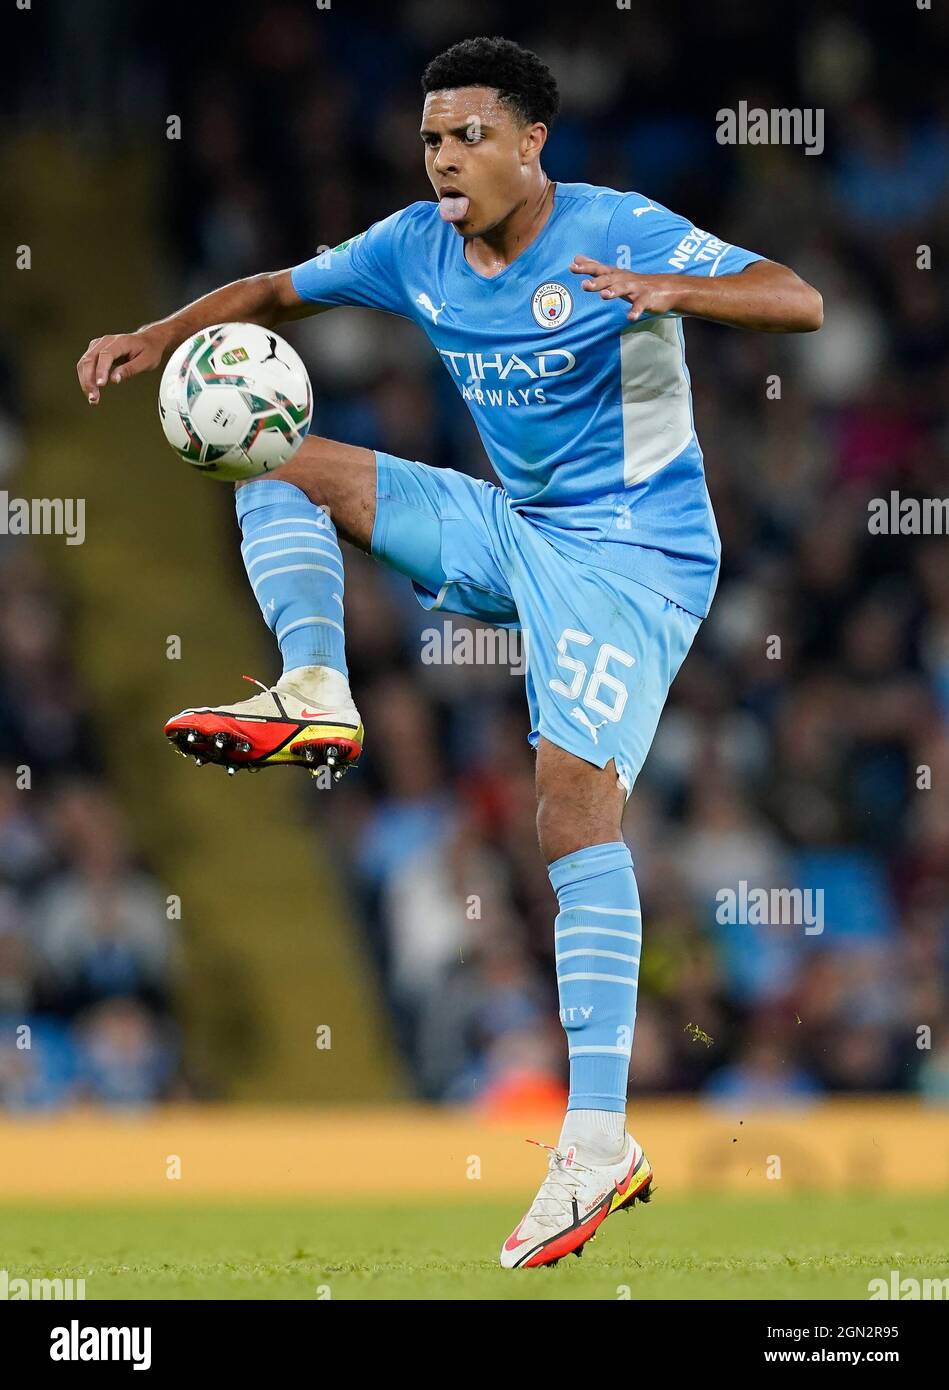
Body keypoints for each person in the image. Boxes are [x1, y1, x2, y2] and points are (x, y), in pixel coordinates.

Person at [75, 36, 822, 1268]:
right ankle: (314, 683)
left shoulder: (613, 227)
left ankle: (595, 1143)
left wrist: (672, 293)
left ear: (534, 143)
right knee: (267, 451)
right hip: (514, 527)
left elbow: (795, 295)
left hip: (633, 558)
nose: (442, 159)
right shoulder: (416, 246)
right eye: (430, 138)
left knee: (571, 817)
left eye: (468, 135)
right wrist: (157, 334)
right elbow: (272, 289)